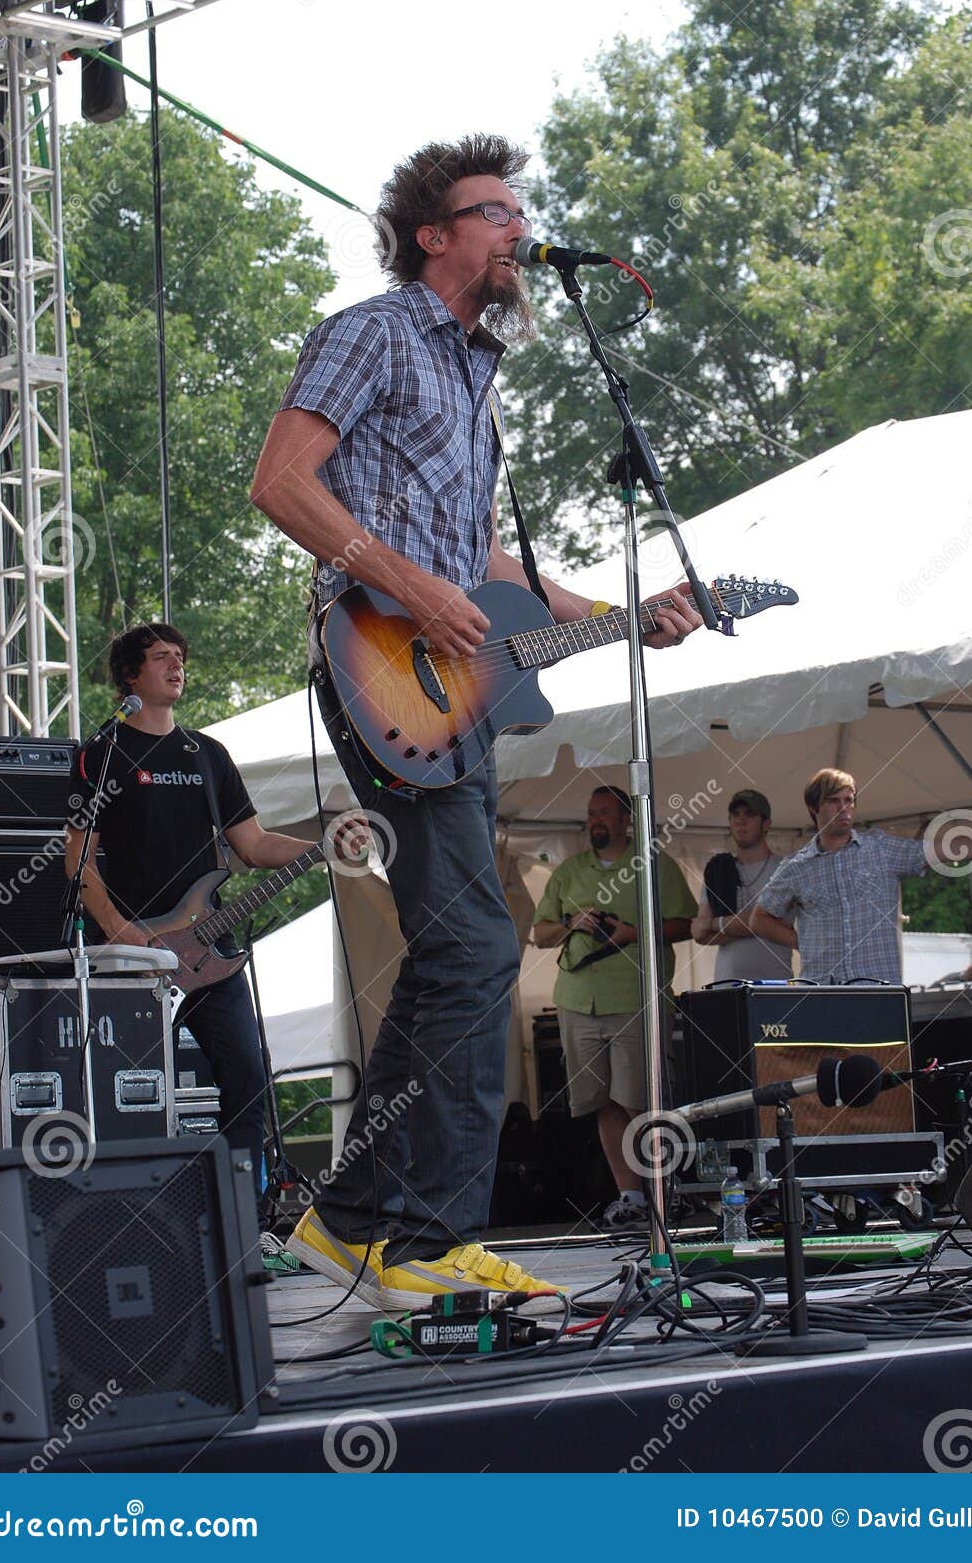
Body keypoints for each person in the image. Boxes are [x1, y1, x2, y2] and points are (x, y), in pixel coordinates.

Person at [250, 134, 702, 1308]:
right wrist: (406, 586)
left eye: (520, 207)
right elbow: (281, 481)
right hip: (378, 671)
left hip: (452, 695)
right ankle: (414, 1239)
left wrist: (616, 611)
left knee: (464, 951)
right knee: (478, 949)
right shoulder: (374, 330)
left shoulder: (475, 369)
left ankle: (353, 1220)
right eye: (493, 210)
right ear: (433, 236)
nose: (519, 226)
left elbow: (480, 561)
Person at [65, 622, 316, 1183]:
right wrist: (118, 929)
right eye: (160, 657)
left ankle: (243, 1218)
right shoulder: (103, 753)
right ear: (130, 674)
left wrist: (322, 846)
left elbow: (253, 846)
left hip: (209, 950)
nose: (177, 665)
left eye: (180, 656)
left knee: (247, 1077)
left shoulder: (208, 754)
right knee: (124, 1087)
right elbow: (77, 860)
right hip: (134, 954)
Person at [532, 787, 695, 1228]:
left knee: (641, 1102)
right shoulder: (568, 872)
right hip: (577, 1002)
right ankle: (630, 1198)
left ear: (628, 820)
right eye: (591, 813)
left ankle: (664, 1193)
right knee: (601, 1102)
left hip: (635, 999)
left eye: (605, 812)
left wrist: (633, 933)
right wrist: (572, 922)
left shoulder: (656, 865)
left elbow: (687, 924)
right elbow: (540, 934)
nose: (596, 820)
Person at [750, 768, 972, 984]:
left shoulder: (881, 848)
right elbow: (759, 919)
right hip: (823, 990)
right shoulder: (796, 866)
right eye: (834, 801)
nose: (844, 808)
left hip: (881, 990)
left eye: (849, 800)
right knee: (830, 1061)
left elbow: (949, 849)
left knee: (886, 1061)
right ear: (813, 808)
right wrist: (801, 942)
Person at [691, 789, 795, 981]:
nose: (740, 820)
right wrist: (767, 926)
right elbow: (699, 933)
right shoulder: (718, 870)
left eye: (750, 814)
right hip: (727, 987)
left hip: (774, 986)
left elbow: (707, 925)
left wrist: (715, 924)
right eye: (735, 814)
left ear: (766, 824)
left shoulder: (786, 869)